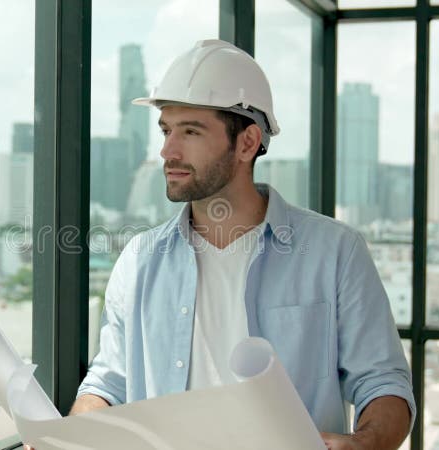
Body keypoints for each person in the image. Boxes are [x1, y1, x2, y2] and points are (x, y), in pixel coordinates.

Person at [39, 39, 415, 450]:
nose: (168, 150)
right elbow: (109, 384)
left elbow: (383, 383)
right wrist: (71, 439)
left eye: (191, 132)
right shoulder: (139, 260)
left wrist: (365, 443)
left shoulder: (336, 252)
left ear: (248, 143)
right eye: (166, 130)